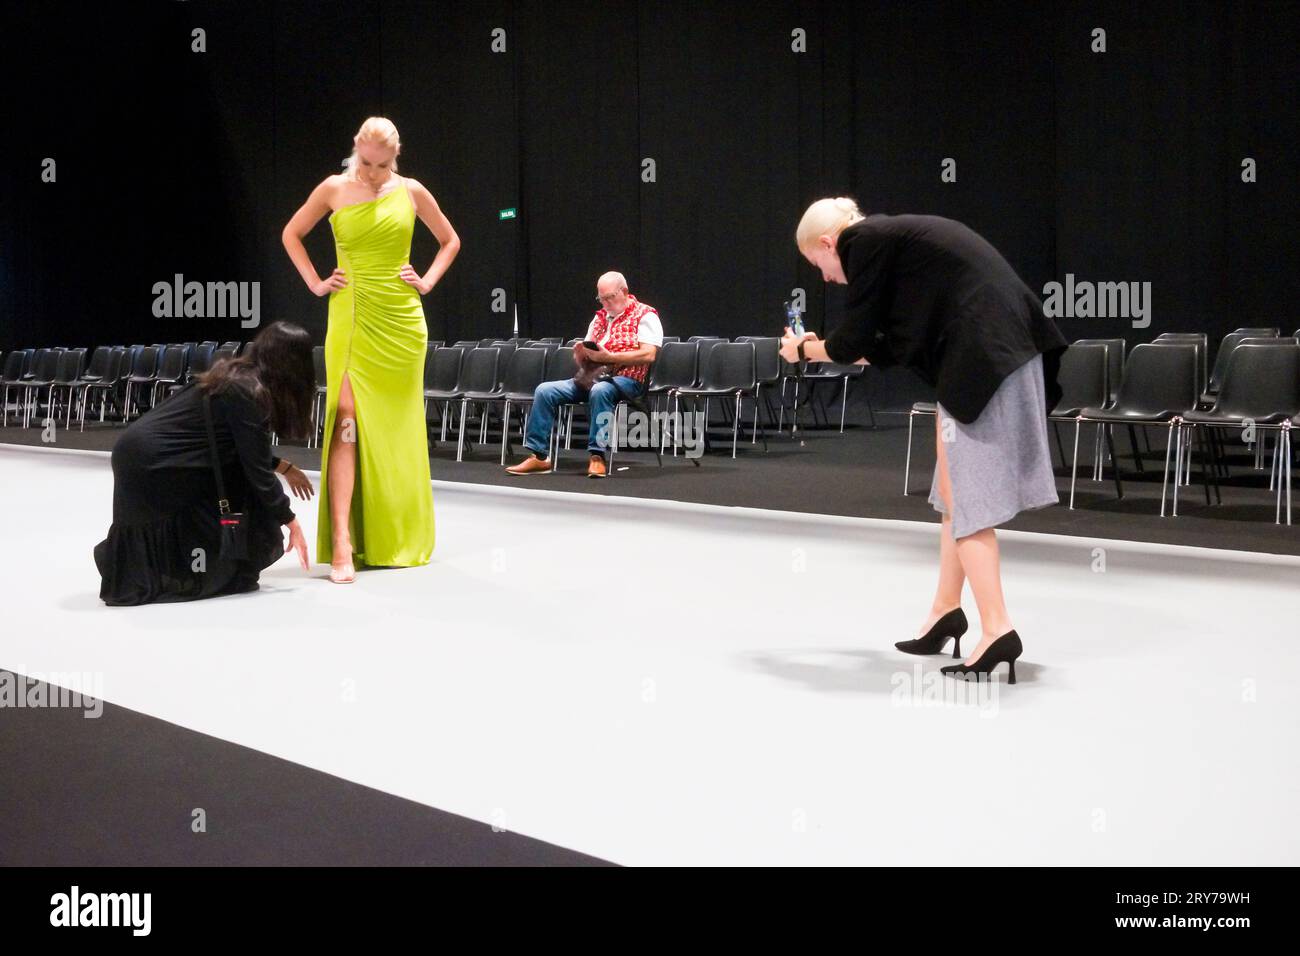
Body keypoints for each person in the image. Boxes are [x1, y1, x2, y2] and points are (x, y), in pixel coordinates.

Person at [788, 197, 1067, 684]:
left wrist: (805, 349)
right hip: (991, 350)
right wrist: (819, 350)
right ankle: (945, 613)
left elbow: (851, 343)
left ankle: (998, 629)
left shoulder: (863, 241)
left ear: (830, 243)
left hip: (986, 356)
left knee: (967, 502)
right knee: (950, 495)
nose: (829, 279)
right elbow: (888, 348)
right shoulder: (895, 247)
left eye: (821, 266)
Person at [281, 116, 460, 583]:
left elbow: (449, 240)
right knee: (346, 419)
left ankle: (391, 534)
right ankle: (342, 538)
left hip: (401, 323)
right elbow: (291, 234)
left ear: (395, 157)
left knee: (395, 430)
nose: (374, 172)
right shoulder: (333, 189)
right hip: (352, 314)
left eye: (383, 165)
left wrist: (426, 281)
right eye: (367, 161)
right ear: (356, 150)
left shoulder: (412, 190)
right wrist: (317, 283)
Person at [93, 322, 316, 606]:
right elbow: (256, 470)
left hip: (137, 453)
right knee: (244, 488)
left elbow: (233, 447)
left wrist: (284, 467)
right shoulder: (251, 393)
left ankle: (190, 570)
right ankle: (215, 570)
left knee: (230, 480)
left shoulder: (234, 375)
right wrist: (290, 520)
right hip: (156, 463)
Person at [505, 272, 663, 478]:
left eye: (610, 298)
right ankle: (539, 457)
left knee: (600, 390)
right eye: (601, 298)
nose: (605, 303)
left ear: (624, 292)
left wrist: (612, 357)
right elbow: (589, 350)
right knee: (545, 390)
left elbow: (649, 354)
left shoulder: (645, 315)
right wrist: (582, 357)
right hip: (593, 376)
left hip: (628, 380)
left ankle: (597, 456)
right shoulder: (598, 319)